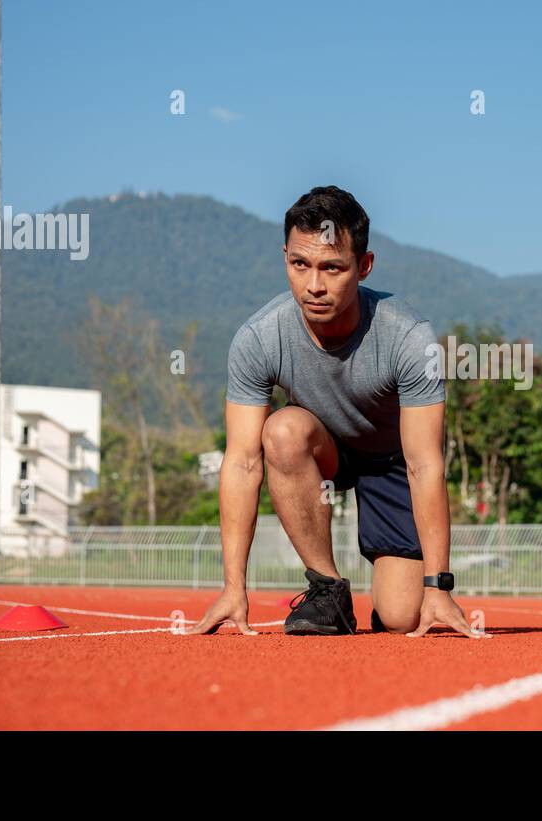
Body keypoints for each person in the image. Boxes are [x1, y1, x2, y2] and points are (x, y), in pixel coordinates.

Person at [188, 185, 482, 639]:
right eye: (299, 264)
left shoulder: (408, 336)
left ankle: (399, 591)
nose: (314, 286)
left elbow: (425, 463)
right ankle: (327, 589)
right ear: (284, 256)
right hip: (323, 452)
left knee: (403, 616)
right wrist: (233, 587)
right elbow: (243, 462)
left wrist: (439, 586)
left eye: (333, 268)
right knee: (282, 431)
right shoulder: (259, 338)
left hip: (391, 464)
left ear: (363, 266)